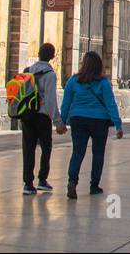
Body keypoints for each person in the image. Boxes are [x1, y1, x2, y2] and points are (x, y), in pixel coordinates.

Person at [59, 50, 123, 200]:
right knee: (98, 153)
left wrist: (62, 122)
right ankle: (94, 185)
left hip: (78, 119)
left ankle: (72, 181)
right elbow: (111, 104)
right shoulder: (104, 83)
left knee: (78, 152)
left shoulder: (73, 81)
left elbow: (66, 103)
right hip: (99, 121)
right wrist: (118, 125)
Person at [20, 43, 65, 195]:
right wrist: (58, 122)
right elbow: (51, 100)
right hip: (42, 117)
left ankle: (27, 183)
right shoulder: (50, 75)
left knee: (28, 149)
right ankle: (42, 179)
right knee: (46, 148)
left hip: (27, 115)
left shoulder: (29, 71)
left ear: (38, 54)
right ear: (52, 56)